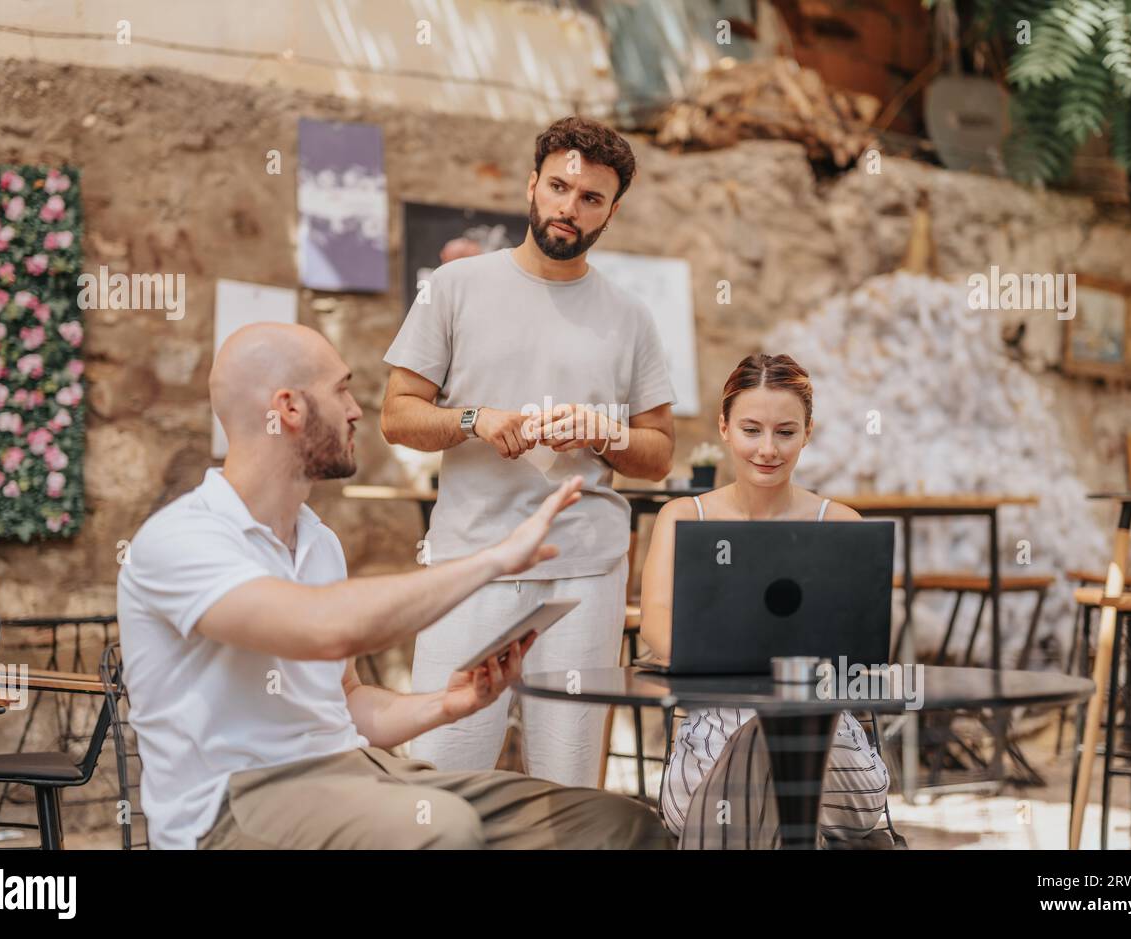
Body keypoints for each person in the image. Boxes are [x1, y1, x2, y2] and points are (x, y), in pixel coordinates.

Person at [116, 322, 672, 850]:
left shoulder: (317, 541)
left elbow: (348, 701)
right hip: (233, 803)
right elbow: (321, 628)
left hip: (360, 771)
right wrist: (494, 561)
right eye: (342, 392)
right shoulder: (182, 538)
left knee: (614, 824)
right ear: (288, 408)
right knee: (439, 831)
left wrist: (446, 705)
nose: (357, 411)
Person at [380, 116, 676, 787]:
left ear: (612, 210)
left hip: (584, 575)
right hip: (470, 565)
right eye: (558, 186)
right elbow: (396, 417)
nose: (569, 207)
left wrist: (604, 433)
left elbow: (658, 452)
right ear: (531, 185)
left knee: (569, 785)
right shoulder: (454, 288)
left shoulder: (630, 316)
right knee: (438, 775)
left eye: (590, 197)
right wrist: (473, 419)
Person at [638, 353, 890, 848]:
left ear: (808, 433)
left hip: (827, 741)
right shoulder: (684, 517)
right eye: (752, 430)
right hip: (714, 736)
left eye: (785, 432)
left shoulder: (839, 525)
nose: (768, 450)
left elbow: (862, 647)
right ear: (725, 427)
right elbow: (655, 624)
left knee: (757, 789)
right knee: (752, 776)